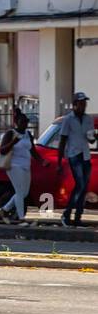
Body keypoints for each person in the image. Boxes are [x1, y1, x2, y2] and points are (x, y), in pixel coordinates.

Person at [0, 107, 42, 225]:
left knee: (24, 193)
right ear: (16, 122)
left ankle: (4, 210)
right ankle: (21, 219)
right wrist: (13, 143)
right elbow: (2, 151)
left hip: (26, 165)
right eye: (22, 122)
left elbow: (33, 150)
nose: (24, 125)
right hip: (14, 166)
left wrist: (42, 161)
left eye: (26, 122)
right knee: (20, 192)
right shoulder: (11, 133)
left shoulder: (28, 134)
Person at [56, 92, 91, 228]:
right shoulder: (68, 119)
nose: (83, 106)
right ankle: (67, 214)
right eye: (81, 104)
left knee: (84, 187)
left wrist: (92, 138)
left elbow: (90, 136)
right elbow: (63, 140)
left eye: (85, 104)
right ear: (75, 105)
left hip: (86, 155)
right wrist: (59, 162)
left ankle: (77, 217)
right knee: (80, 184)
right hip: (74, 155)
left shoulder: (87, 119)